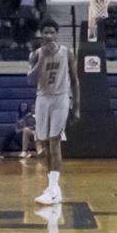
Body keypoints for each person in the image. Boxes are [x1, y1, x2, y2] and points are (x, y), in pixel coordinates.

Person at [29, 18, 75, 205]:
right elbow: (30, 80)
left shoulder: (67, 53)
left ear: (57, 34)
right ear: (41, 35)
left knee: (55, 143)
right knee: (45, 145)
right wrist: (42, 59)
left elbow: (75, 80)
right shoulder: (35, 54)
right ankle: (54, 189)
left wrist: (76, 105)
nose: (49, 35)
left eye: (52, 32)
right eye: (45, 32)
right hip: (42, 99)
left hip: (60, 99)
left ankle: (53, 188)